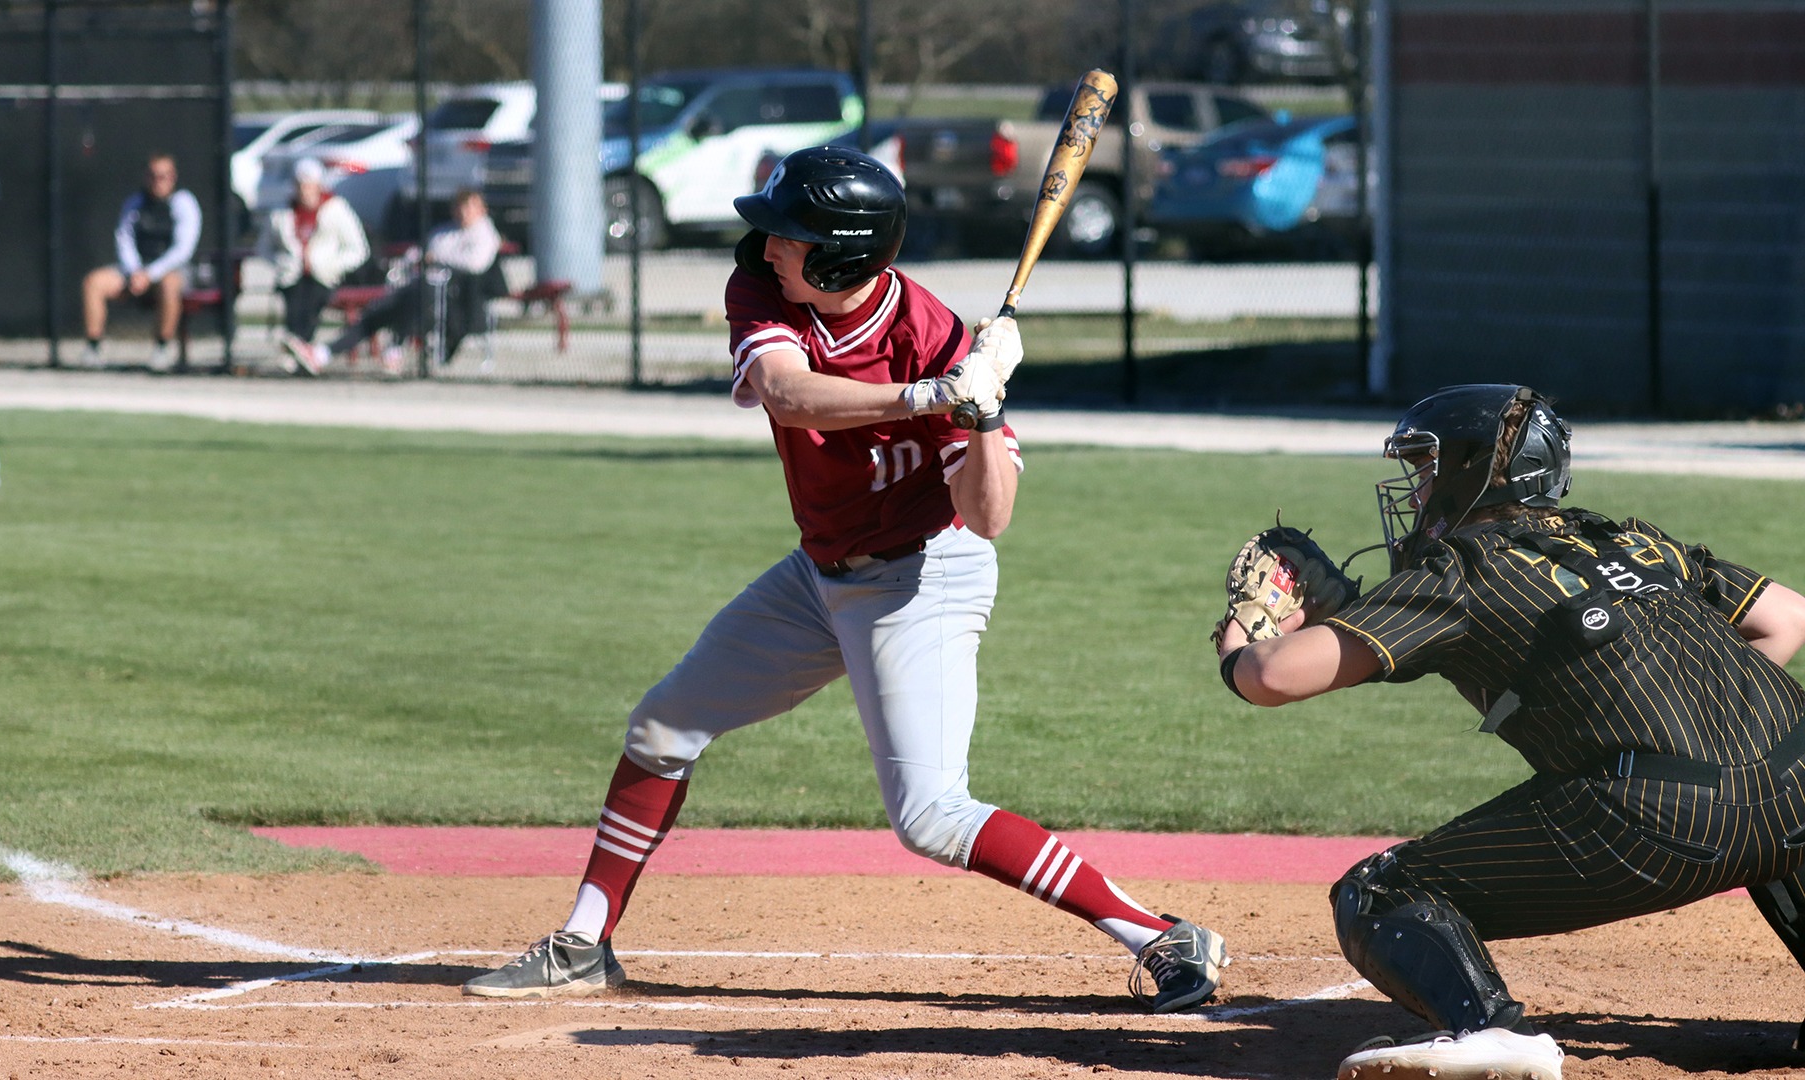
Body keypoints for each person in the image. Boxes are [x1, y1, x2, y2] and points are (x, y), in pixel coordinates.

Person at [460, 147, 1229, 1012]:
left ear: (839, 256)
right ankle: (584, 942)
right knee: (664, 726)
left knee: (932, 815)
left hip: (923, 577)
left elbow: (989, 515)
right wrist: (931, 395)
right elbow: (792, 394)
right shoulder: (762, 286)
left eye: (788, 236)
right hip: (819, 574)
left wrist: (980, 412)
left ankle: (1160, 936)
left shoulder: (933, 334)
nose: (767, 245)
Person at [1215, 384, 1805, 1080]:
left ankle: (1492, 1034)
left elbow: (1271, 677)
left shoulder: (1462, 571)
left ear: (1473, 468)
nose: (1416, 489)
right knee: (1773, 791)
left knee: (1376, 894)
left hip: (1660, 821)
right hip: (1799, 781)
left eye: (1427, 467)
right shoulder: (1631, 540)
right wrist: (1705, 731)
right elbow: (1786, 618)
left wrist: (1245, 627)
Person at [281, 188, 500, 377]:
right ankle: (320, 354)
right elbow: (420, 253)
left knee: (424, 292)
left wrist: (438, 258)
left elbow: (476, 264)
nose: (464, 212)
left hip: (456, 301)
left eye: (470, 207)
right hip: (419, 291)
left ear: (482, 209)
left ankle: (395, 348)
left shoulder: (485, 233)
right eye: (461, 207)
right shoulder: (444, 232)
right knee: (377, 313)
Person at [80, 152, 201, 372]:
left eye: (164, 176)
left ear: (173, 177)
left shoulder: (184, 203)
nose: (158, 181)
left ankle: (162, 349)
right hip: (135, 271)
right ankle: (93, 348)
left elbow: (182, 250)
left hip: (167, 271)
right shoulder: (135, 203)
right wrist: (135, 271)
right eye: (153, 176)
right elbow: (124, 239)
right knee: (93, 282)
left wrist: (150, 274)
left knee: (170, 283)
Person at [260, 157, 368, 370]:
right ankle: (300, 348)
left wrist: (333, 264)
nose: (304, 190)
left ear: (318, 185)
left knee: (312, 292)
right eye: (299, 185)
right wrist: (281, 262)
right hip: (292, 274)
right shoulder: (282, 212)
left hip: (327, 275)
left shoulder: (336, 208)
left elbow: (358, 249)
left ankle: (299, 345)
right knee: (294, 290)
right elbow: (263, 248)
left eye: (308, 184)